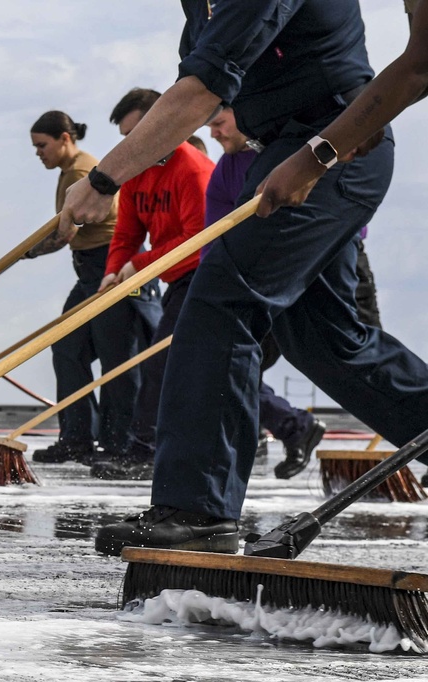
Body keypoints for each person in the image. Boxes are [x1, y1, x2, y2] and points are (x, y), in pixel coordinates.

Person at [57, 0, 428, 557]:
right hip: (282, 150)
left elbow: (203, 88)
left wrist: (105, 178)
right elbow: (200, 78)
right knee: (326, 340)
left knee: (221, 306)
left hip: (335, 144)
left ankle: (197, 510)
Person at [88, 90, 215, 480]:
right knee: (182, 365)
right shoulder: (135, 172)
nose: (132, 144)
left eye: (136, 134)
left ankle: (144, 450)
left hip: (205, 275)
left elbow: (198, 239)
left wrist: (137, 266)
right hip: (173, 277)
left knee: (164, 362)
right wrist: (112, 272)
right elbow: (127, 233)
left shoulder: (192, 169)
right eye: (126, 137)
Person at [26, 109, 161, 465]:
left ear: (64, 139)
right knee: (67, 349)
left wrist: (29, 251)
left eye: (42, 145)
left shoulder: (82, 171)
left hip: (111, 267)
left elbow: (65, 233)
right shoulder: (71, 170)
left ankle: (120, 443)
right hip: (88, 271)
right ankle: (77, 437)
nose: (38, 153)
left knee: (117, 358)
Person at [204, 106, 326, 480]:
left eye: (219, 123)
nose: (213, 133)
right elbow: (212, 235)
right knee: (228, 367)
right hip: (249, 280)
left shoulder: (287, 156)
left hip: (306, 271)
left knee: (344, 359)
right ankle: (286, 427)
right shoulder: (226, 169)